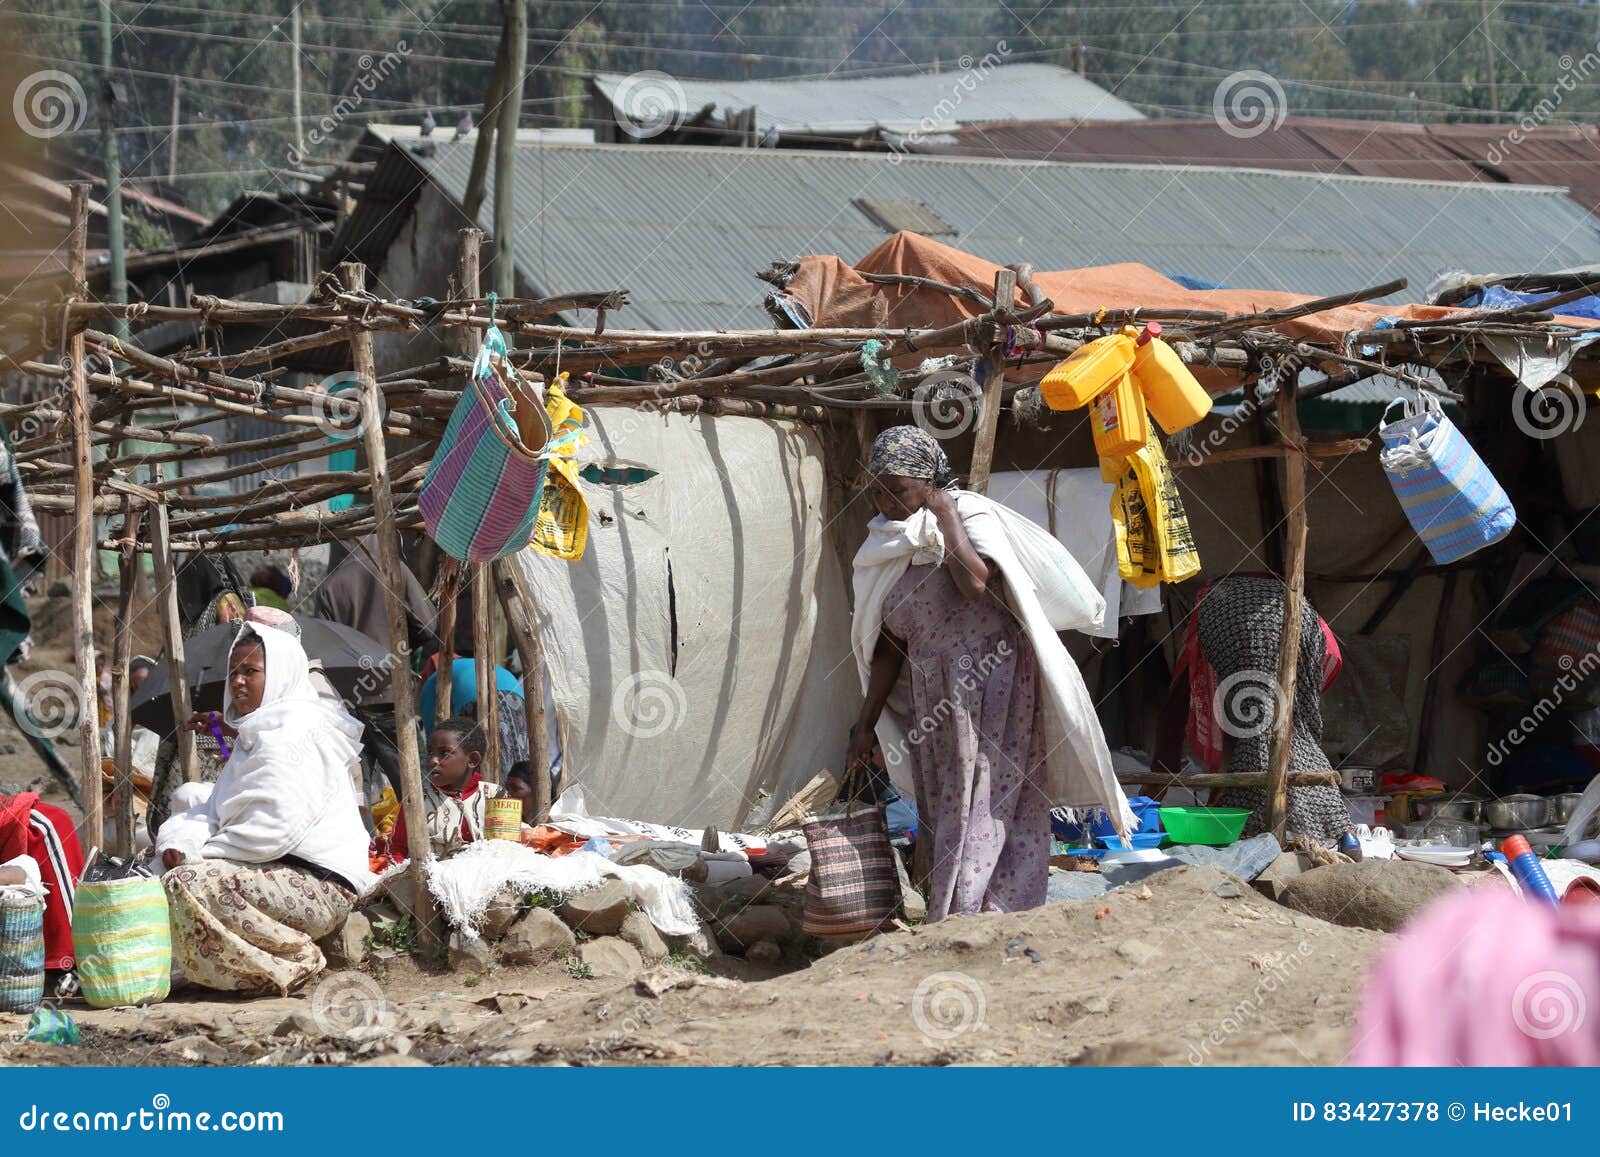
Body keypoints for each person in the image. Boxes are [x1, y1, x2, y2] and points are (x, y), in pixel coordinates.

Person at [849, 426, 1131, 922]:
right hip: (933, 694)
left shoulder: (968, 516)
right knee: (945, 804)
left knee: (989, 800)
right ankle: (959, 907)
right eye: (878, 489)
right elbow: (888, 643)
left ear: (930, 482)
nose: (886, 500)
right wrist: (865, 720)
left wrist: (946, 514)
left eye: (898, 488)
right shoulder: (885, 546)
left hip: (993, 686)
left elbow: (974, 582)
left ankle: (983, 912)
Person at [155, 622, 371, 995]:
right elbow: (221, 810)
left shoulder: (293, 733)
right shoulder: (259, 732)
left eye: (251, 672)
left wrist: (199, 855)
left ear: (280, 676)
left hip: (321, 884)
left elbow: (271, 830)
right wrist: (182, 844)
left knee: (188, 881)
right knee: (152, 865)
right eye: (234, 672)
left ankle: (289, 962)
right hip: (280, 871)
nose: (237, 682)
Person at [1154, 573, 1347, 845]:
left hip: (1251, 624)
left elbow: (1175, 717)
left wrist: (1150, 799)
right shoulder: (1301, 621)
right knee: (1286, 731)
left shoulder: (1211, 630)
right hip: (1303, 629)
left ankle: (1256, 821)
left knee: (1261, 730)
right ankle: (1339, 829)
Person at [377, 716, 505, 865]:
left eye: (444, 753)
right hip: (431, 883)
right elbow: (397, 849)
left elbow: (507, 849)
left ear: (472, 760)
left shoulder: (496, 796)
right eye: (430, 752)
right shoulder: (417, 801)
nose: (432, 760)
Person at [418, 657, 530, 769]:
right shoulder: (460, 666)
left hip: (475, 696)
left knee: (475, 760)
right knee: (517, 754)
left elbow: (435, 740)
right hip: (514, 693)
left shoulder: (428, 689)